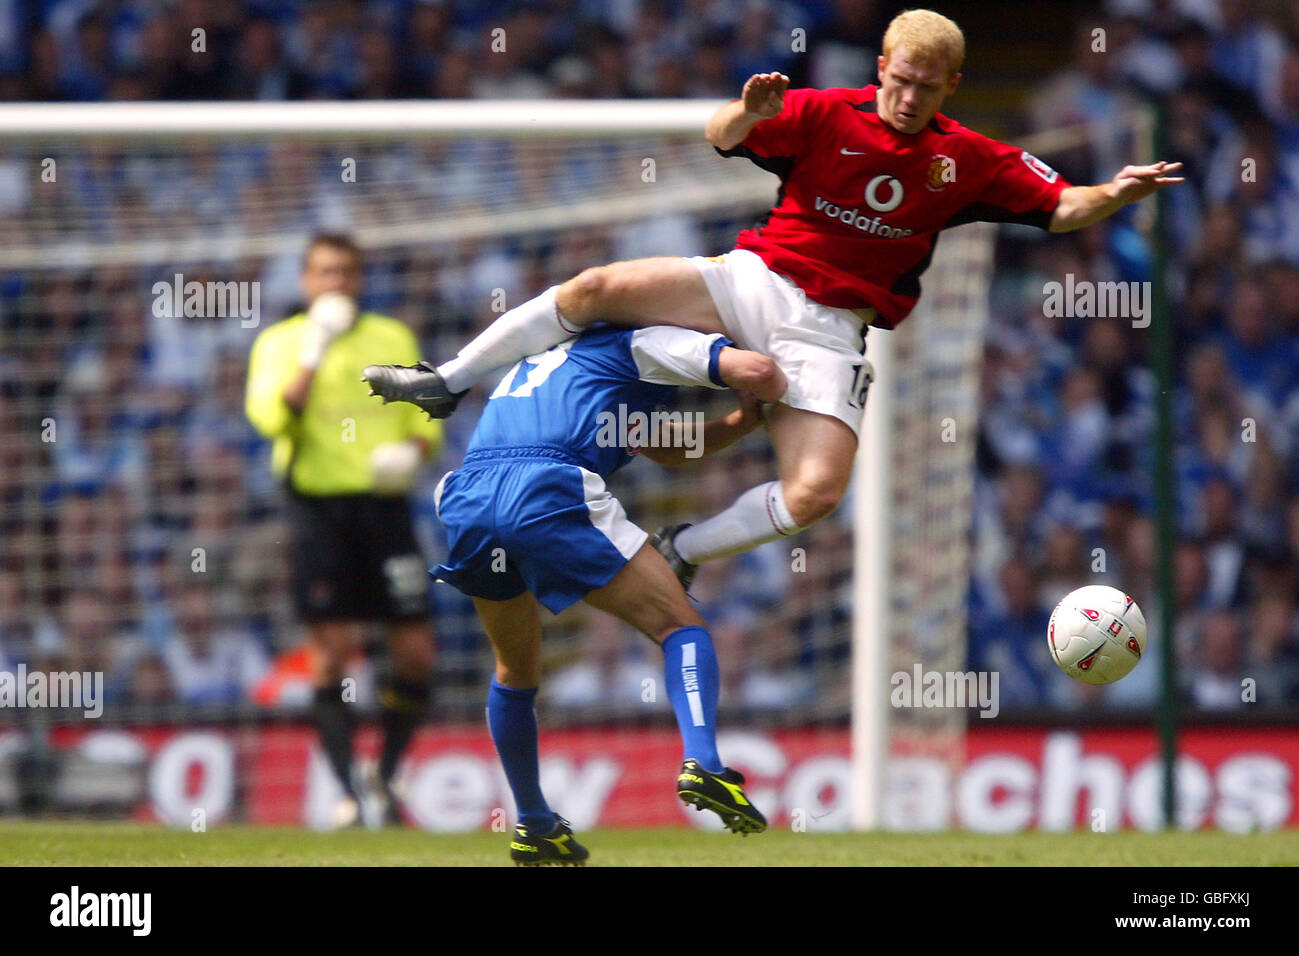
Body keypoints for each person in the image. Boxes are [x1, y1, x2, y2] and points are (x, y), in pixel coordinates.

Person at [364, 8, 1184, 589]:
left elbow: (1063, 204)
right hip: (751, 280)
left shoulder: (969, 158)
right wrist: (745, 110)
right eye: (900, 81)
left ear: (951, 85)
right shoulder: (824, 113)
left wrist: (1113, 191)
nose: (909, 98)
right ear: (881, 68)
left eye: (927, 88)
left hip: (830, 332)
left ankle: (683, 545)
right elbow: (721, 138)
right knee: (597, 286)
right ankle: (448, 377)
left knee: (816, 494)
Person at [368, 323, 784, 864]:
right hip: (546, 481)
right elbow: (753, 370)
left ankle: (536, 824)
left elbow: (670, 449)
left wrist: (738, 423)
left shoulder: (541, 361)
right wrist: (778, 371)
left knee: (515, 672)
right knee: (680, 627)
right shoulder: (638, 342)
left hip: (471, 493)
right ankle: (703, 761)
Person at [245, 233, 440, 827]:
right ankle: (347, 792)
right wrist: (313, 352)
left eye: (347, 272)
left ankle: (385, 777)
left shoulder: (392, 338)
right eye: (325, 272)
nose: (337, 283)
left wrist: (415, 449)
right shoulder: (280, 342)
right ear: (306, 281)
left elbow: (426, 413)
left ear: (360, 278)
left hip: (383, 509)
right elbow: (270, 418)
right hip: (317, 509)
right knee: (329, 656)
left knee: (415, 653)